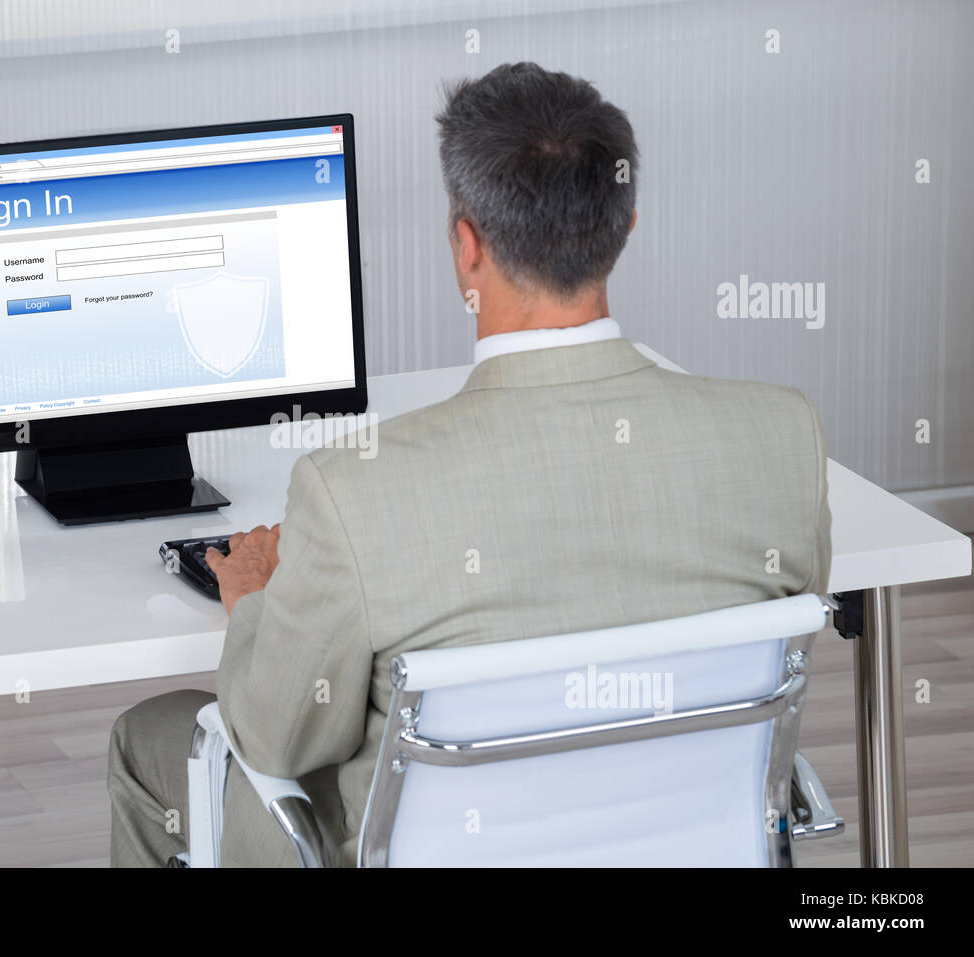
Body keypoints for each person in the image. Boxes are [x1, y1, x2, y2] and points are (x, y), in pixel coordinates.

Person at [108, 62, 830, 867]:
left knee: (152, 735)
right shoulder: (781, 437)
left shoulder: (351, 490)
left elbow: (274, 738)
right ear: (627, 222)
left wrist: (252, 601)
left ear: (466, 244)